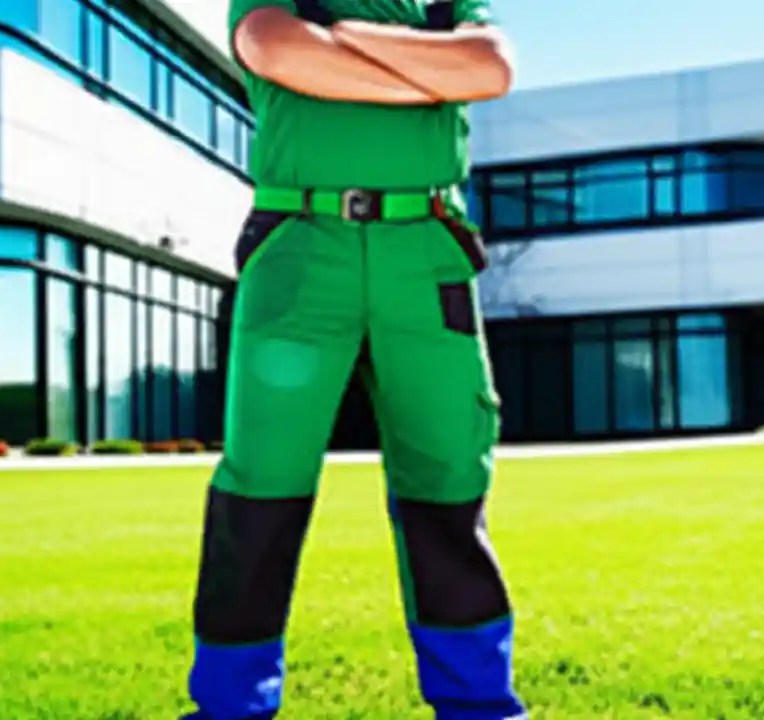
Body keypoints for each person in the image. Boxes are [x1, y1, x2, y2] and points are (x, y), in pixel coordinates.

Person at [182, 1, 525, 718]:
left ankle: (479, 703)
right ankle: (229, 706)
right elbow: (276, 50)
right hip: (301, 245)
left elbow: (489, 68)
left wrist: (347, 41)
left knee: (449, 476)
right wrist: (427, 73)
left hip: (425, 251)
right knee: (260, 484)